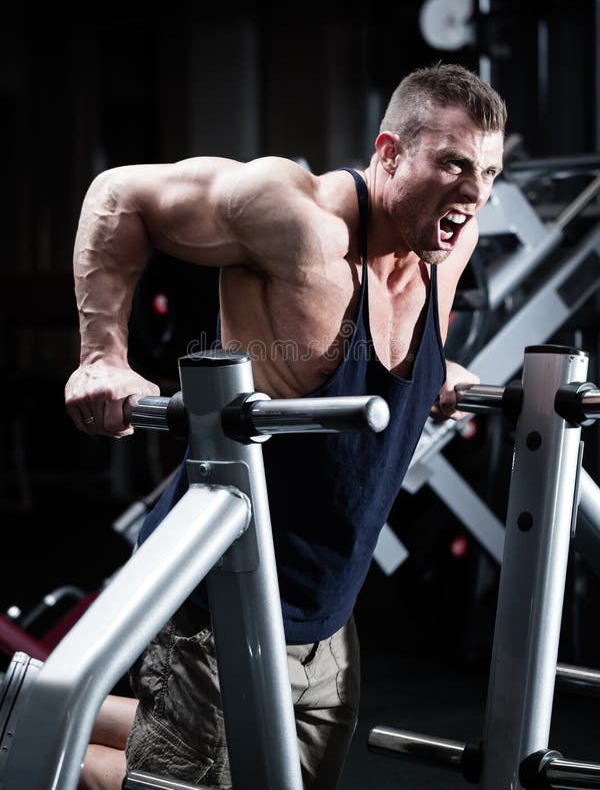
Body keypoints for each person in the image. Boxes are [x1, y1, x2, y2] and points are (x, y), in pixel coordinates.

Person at [65, 62, 506, 790]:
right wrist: (102, 358)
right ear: (390, 152)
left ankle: (39, 702)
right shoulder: (297, 219)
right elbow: (120, 194)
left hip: (328, 611)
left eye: (488, 169)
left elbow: (384, 347)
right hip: (219, 593)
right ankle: (36, 743)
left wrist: (434, 368)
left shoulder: (447, 240)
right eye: (454, 163)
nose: (475, 190)